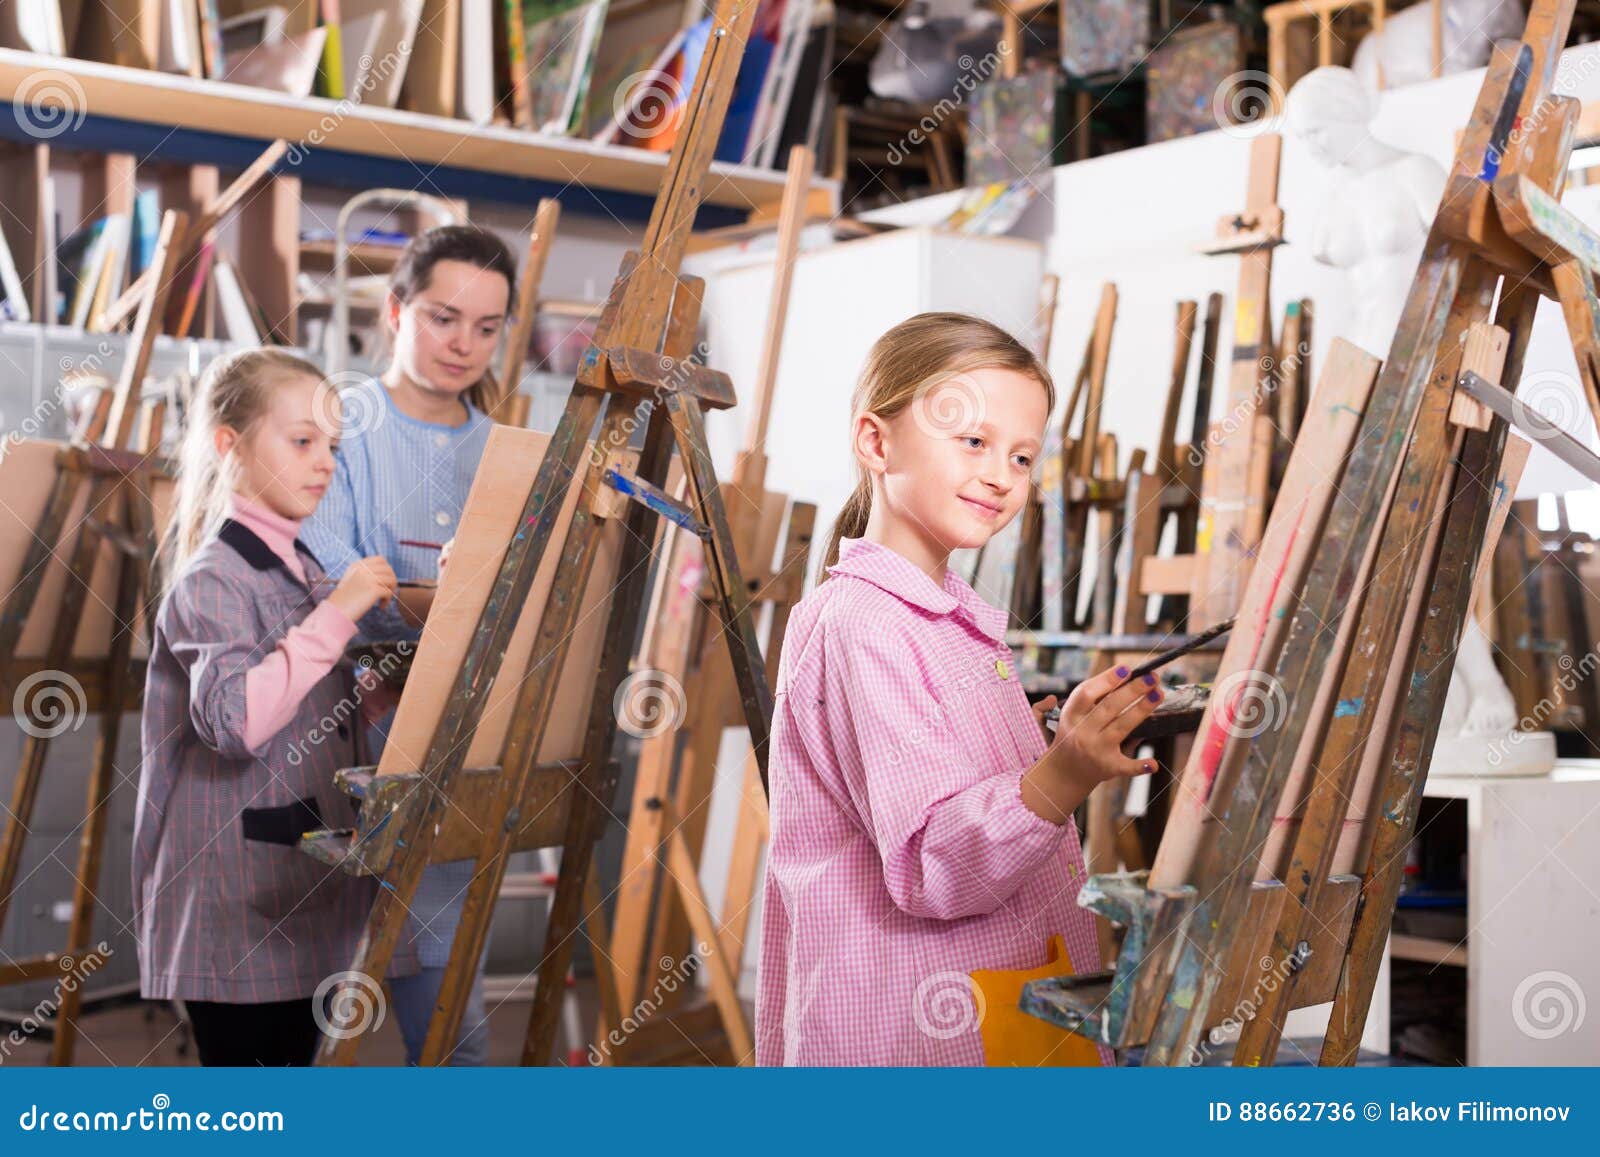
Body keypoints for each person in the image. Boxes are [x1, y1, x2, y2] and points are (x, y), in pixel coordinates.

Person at [755, 313, 1161, 1065]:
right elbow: (931, 864)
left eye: (1021, 454)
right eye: (972, 441)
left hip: (993, 1002)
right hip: (913, 1029)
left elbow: (949, 783)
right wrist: (1064, 772)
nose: (1001, 473)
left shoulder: (951, 620)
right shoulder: (866, 624)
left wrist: (1045, 741)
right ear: (877, 442)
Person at [135, 348, 402, 1065]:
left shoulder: (304, 568)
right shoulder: (213, 581)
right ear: (231, 444)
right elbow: (236, 722)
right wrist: (340, 612)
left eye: (333, 447)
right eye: (302, 441)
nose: (324, 463)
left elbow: (333, 701)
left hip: (298, 883)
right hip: (235, 898)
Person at [302, 224, 516, 1065]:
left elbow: (518, 609)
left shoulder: (504, 446)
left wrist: (415, 597)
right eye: (442, 317)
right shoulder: (337, 423)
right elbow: (331, 592)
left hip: (454, 732)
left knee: (437, 955)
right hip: (337, 725)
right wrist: (445, 603)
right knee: (318, 976)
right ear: (396, 310)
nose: (465, 344)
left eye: (488, 327)